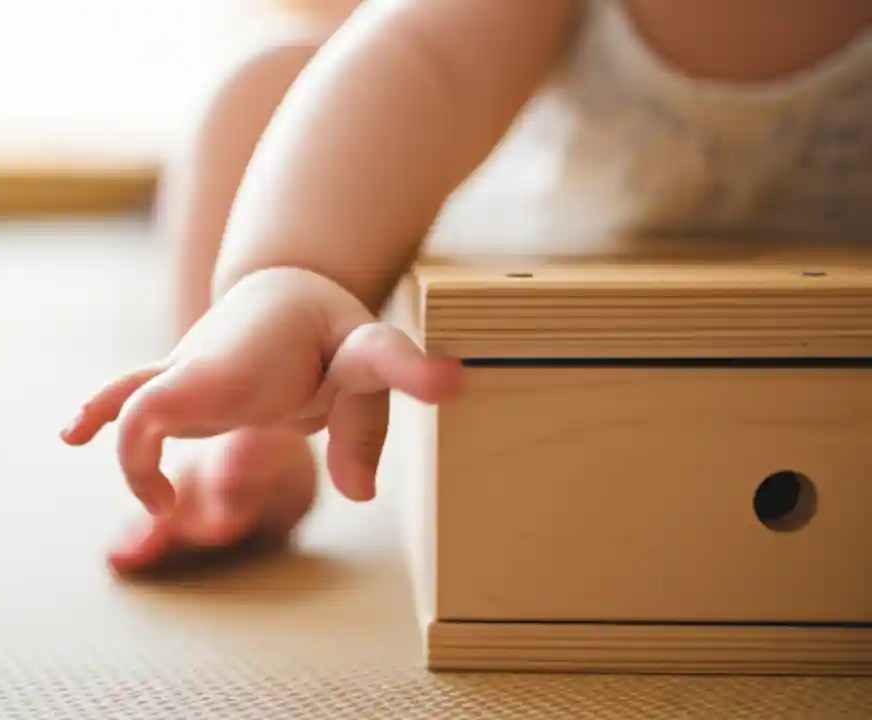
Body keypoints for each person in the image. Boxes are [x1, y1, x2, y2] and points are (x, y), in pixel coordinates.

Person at [61, 0, 872, 574]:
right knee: (267, 82)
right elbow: (430, 62)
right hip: (511, 209)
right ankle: (254, 425)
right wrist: (293, 278)